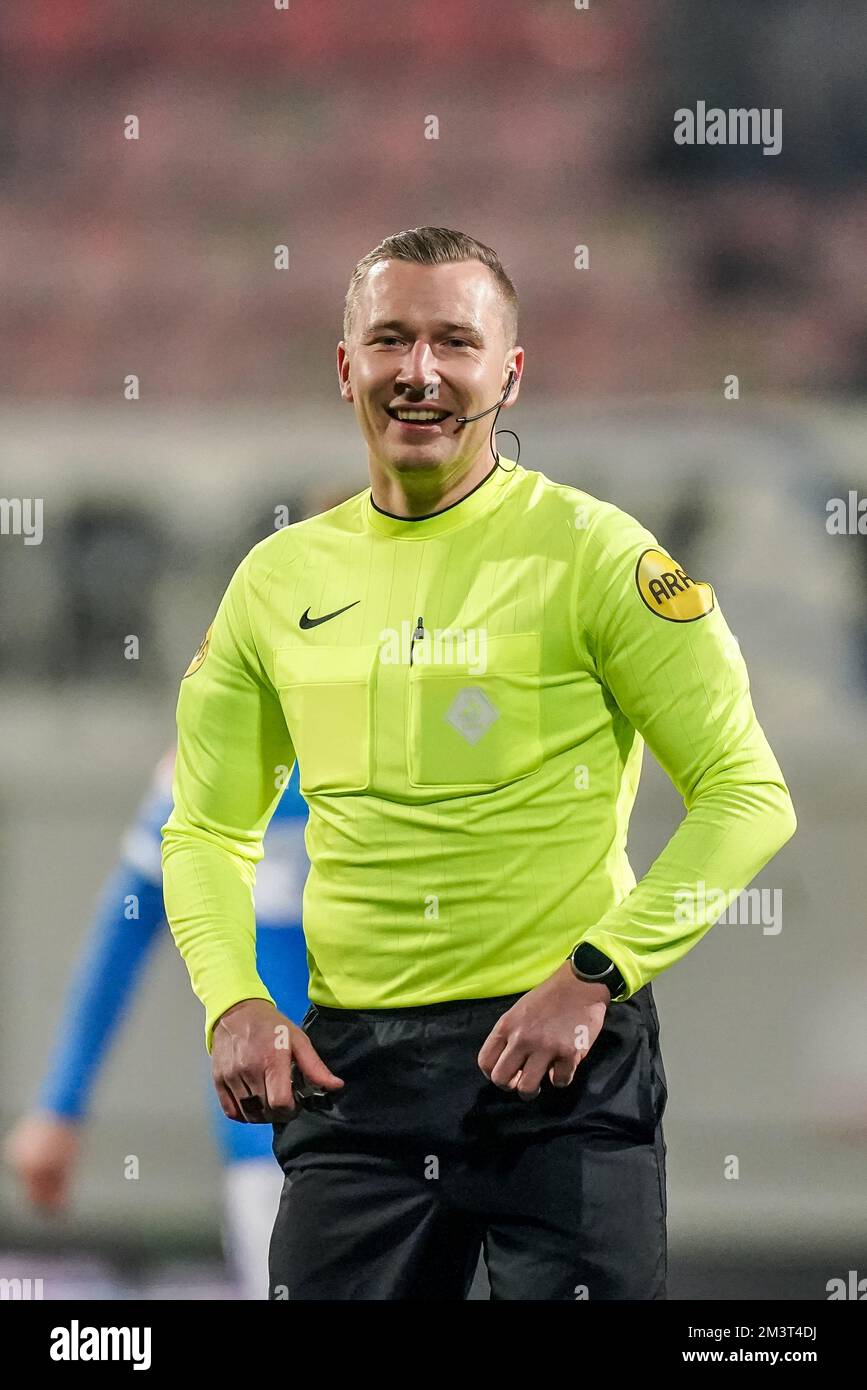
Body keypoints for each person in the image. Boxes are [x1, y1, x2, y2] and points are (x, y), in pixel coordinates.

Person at [161, 226, 796, 1301]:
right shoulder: (275, 582)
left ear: (509, 373)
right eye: (391, 340)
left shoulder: (601, 557)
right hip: (351, 1076)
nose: (419, 371)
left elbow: (749, 796)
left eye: (455, 342)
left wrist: (599, 973)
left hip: (558, 1067)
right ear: (344, 365)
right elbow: (207, 830)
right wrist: (232, 998)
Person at [5, 747, 311, 1300]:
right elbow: (121, 937)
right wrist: (59, 1105)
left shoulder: (404, 752)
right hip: (273, 1146)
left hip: (423, 1124)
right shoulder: (204, 771)